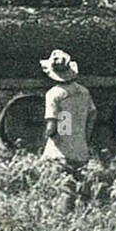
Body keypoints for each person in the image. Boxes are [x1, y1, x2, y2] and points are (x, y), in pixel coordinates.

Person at [40, 49, 97, 213]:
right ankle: (85, 215)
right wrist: (85, 136)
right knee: (81, 184)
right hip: (81, 148)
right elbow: (93, 113)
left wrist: (49, 136)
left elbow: (55, 125)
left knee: (64, 187)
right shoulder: (84, 91)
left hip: (61, 150)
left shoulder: (54, 94)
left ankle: (64, 217)